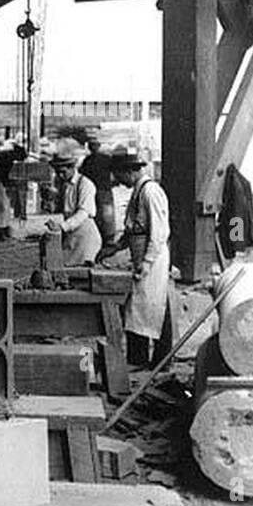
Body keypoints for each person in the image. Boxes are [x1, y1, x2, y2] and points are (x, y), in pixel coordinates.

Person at [98, 152, 170, 368]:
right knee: (138, 310)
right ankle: (138, 358)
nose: (119, 181)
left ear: (131, 172)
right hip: (141, 256)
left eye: (120, 176)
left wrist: (147, 263)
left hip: (153, 258)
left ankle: (159, 360)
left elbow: (159, 233)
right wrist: (114, 248)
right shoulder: (138, 191)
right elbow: (132, 230)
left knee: (150, 308)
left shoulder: (150, 192)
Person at [45, 154, 102, 266]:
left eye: (63, 172)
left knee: (79, 271)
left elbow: (83, 213)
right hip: (71, 234)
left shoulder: (85, 184)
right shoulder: (64, 185)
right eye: (57, 172)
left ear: (72, 168)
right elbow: (65, 209)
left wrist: (62, 226)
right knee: (64, 267)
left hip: (85, 235)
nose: (60, 175)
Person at [0, 143, 26, 240]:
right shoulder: (6, 158)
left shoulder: (6, 156)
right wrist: (9, 182)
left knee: (2, 204)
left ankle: (0, 228)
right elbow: (2, 174)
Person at [79, 136, 117, 242]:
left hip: (97, 191)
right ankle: (107, 238)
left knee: (97, 214)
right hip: (103, 191)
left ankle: (101, 237)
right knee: (105, 215)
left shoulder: (87, 160)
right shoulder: (105, 158)